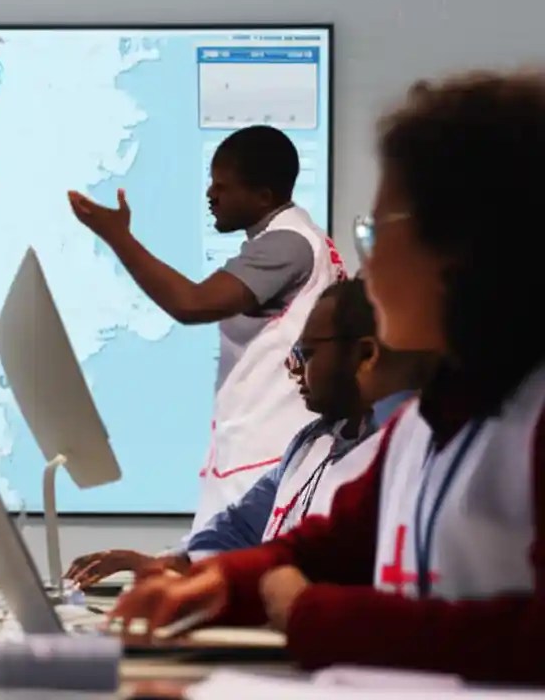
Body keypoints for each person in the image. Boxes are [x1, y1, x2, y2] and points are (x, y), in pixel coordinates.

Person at [109, 71, 545, 683]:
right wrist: (212, 585)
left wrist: (311, 613)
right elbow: (325, 547)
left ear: (460, 250)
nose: (362, 261)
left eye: (375, 232)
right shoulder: (430, 420)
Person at [69, 126, 347, 531]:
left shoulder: (287, 244)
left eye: (223, 187)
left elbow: (192, 304)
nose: (210, 195)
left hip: (264, 460)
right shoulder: (296, 240)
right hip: (261, 456)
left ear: (264, 196)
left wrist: (118, 238)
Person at [66, 278, 430, 586]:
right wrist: (169, 563)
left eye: (307, 353)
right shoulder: (311, 443)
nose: (292, 367)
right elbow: (240, 527)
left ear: (364, 355)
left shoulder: (405, 447)